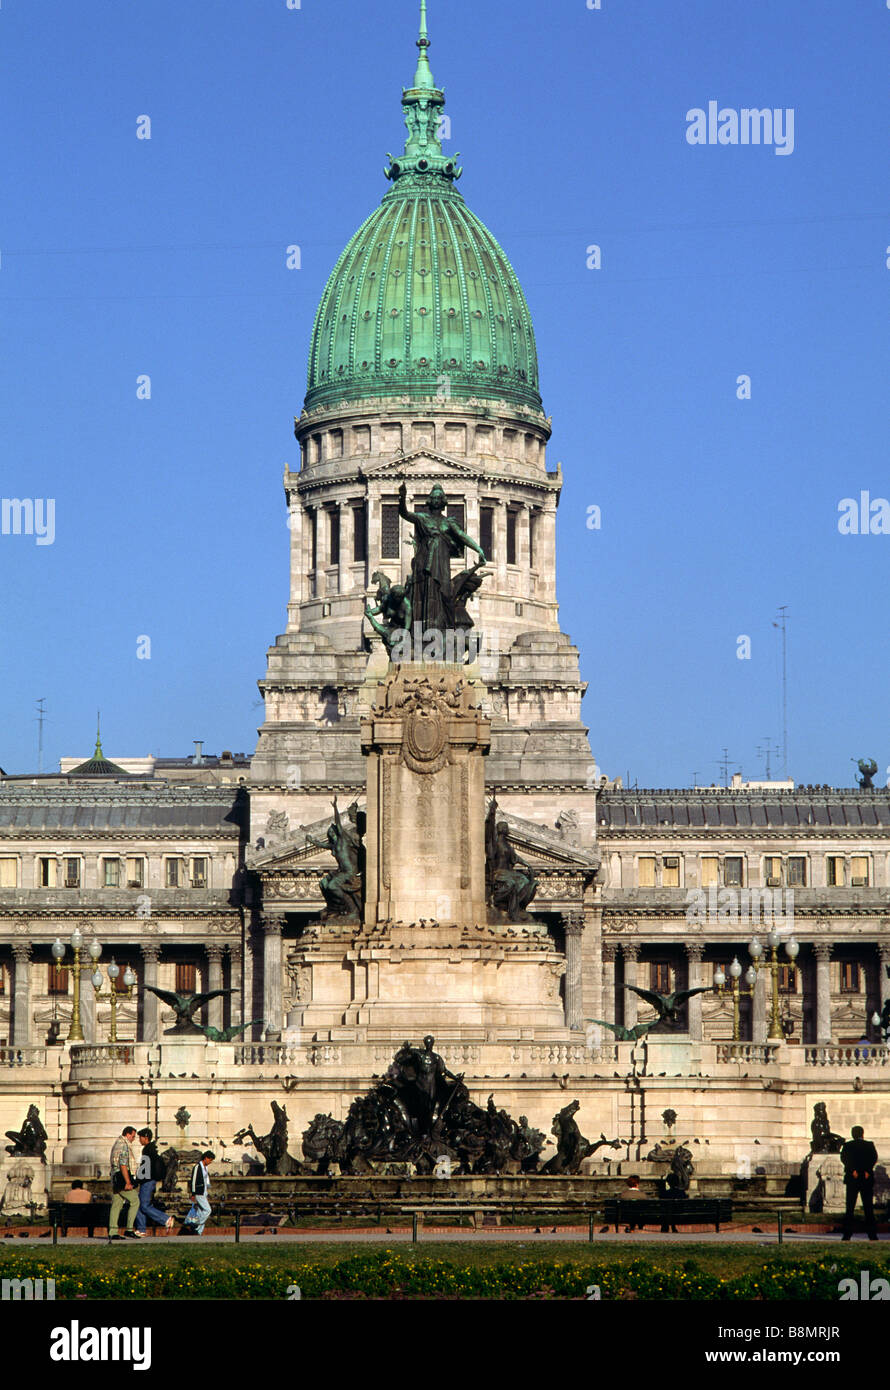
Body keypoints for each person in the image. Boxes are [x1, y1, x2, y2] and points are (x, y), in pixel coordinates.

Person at [841, 1125, 879, 1241]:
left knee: (850, 1208)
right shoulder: (869, 1145)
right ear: (863, 1134)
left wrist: (853, 1170)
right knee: (868, 1208)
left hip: (853, 1178)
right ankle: (872, 1234)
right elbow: (873, 1157)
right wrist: (867, 1170)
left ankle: (847, 1235)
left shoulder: (848, 1145)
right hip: (866, 1178)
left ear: (853, 1134)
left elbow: (845, 1159)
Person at [134, 1128, 174, 1234]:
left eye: (140, 1137)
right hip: (149, 1180)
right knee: (139, 1204)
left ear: (145, 1138)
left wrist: (137, 1178)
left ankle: (166, 1219)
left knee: (144, 1205)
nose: (139, 1140)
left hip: (147, 1180)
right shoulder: (151, 1149)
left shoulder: (147, 1150)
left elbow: (145, 1167)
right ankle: (141, 1229)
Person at [108, 1125, 141, 1240]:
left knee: (117, 1204)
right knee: (135, 1201)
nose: (134, 1139)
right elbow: (123, 1165)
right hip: (122, 1179)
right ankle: (129, 1229)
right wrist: (127, 1181)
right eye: (133, 1136)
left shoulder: (116, 1144)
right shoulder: (124, 1146)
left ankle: (112, 1231)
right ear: (127, 1134)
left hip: (115, 1179)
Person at [180, 1151, 214, 1235]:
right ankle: (196, 1224)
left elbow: (206, 1179)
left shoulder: (205, 1168)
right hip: (198, 1192)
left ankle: (198, 1231)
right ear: (205, 1158)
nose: (210, 1162)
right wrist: (193, 1193)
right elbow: (194, 1180)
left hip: (204, 1192)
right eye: (210, 1160)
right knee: (208, 1210)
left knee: (201, 1211)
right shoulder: (197, 1167)